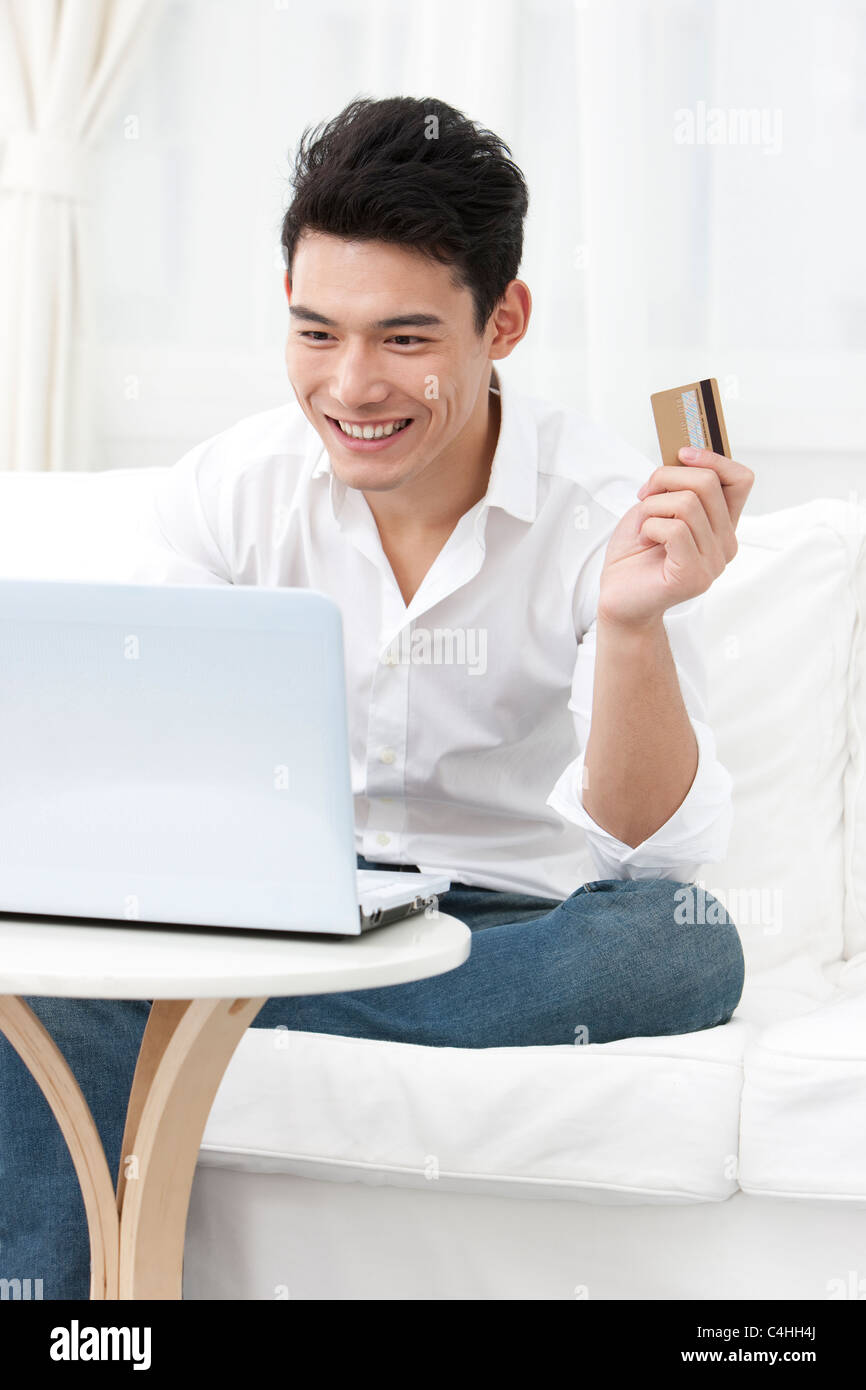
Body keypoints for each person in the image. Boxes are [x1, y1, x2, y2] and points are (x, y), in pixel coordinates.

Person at [0, 95, 753, 1300]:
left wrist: (628, 621)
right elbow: (135, 761)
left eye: (404, 339)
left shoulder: (603, 502)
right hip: (285, 911)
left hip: (516, 924)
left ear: (500, 321)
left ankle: (232, 1018)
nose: (351, 386)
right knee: (40, 971)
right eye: (315, 333)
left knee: (678, 947)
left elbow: (645, 850)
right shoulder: (230, 489)